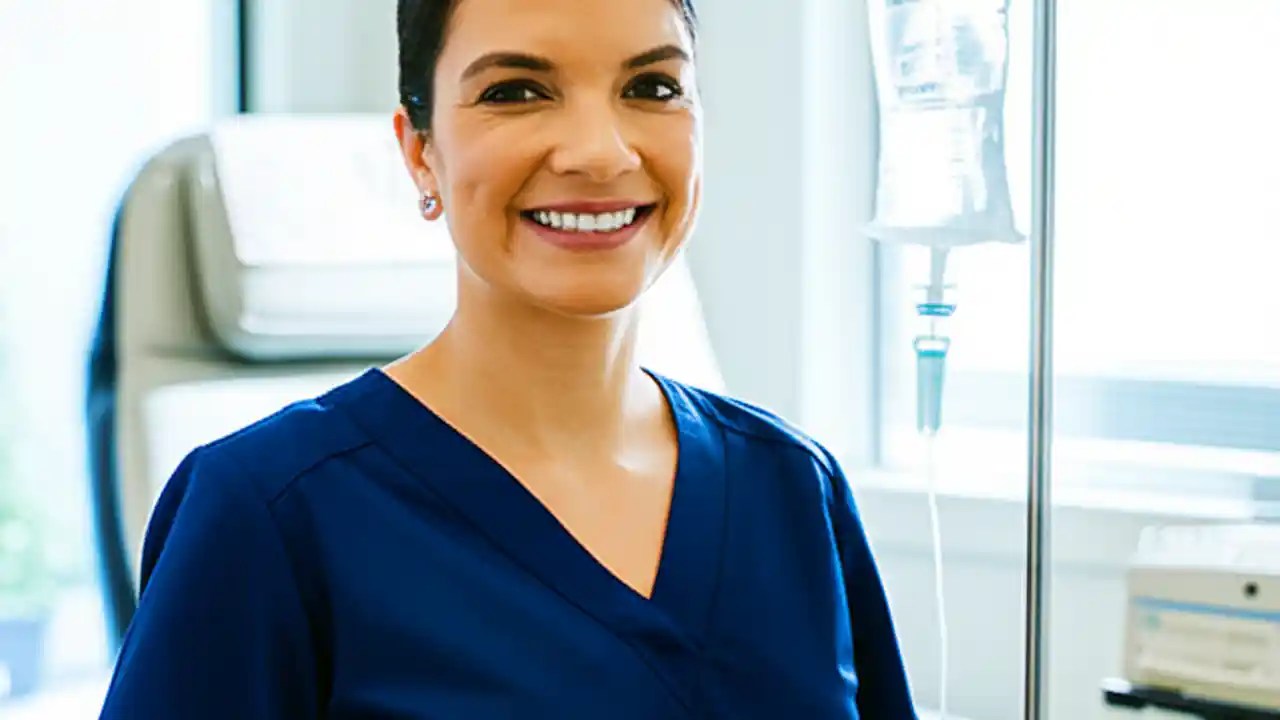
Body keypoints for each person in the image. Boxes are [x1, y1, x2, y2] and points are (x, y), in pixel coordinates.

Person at [98, 0, 918, 717]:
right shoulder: (267, 514)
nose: (600, 153)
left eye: (652, 87)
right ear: (420, 151)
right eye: (515, 92)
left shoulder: (794, 490)